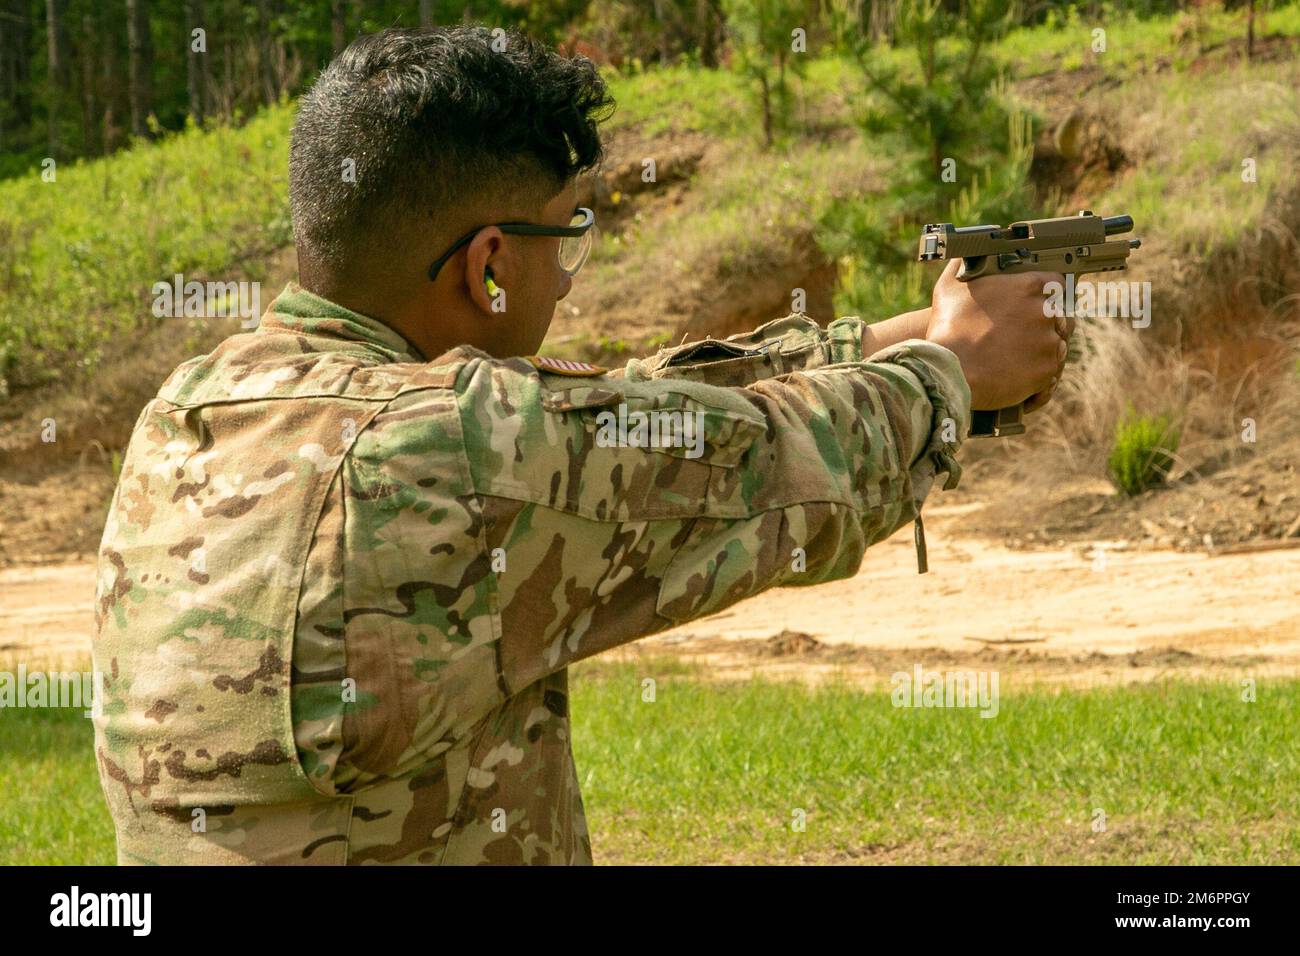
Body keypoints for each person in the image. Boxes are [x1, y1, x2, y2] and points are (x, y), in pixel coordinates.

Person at [92, 26, 1069, 865]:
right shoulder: (454, 448)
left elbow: (611, 414)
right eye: (565, 238)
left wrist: (895, 337)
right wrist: (953, 375)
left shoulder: (192, 406)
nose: (565, 282)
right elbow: (764, 461)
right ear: (490, 265)